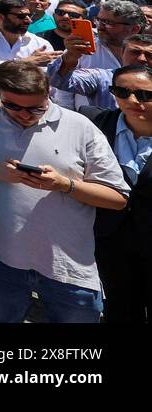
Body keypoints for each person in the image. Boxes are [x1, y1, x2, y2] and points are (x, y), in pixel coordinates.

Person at [0, 60, 129, 323]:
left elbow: (118, 198)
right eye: (12, 106)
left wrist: (65, 185)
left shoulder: (79, 126)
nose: (24, 114)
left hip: (66, 263)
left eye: (35, 108)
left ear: (49, 95)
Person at [79, 64, 152, 323]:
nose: (132, 101)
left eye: (144, 95)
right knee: (120, 308)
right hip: (110, 238)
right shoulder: (93, 122)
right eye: (122, 91)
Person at [0, 0, 56, 97]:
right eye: (21, 16)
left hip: (28, 106)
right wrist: (27, 62)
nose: (29, 20)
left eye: (29, 15)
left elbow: (43, 80)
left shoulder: (40, 44)